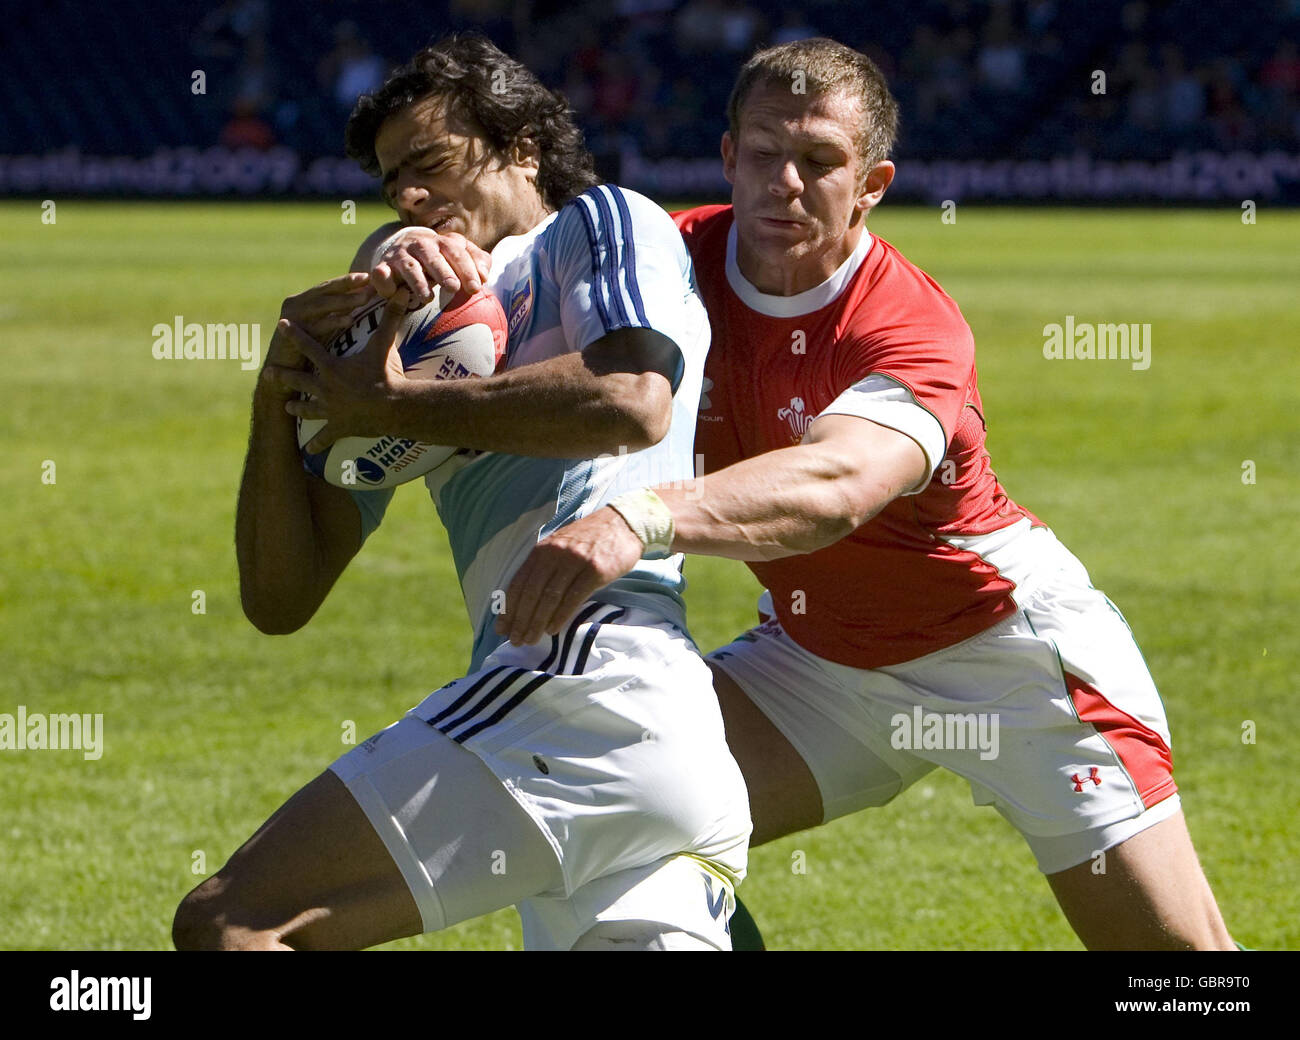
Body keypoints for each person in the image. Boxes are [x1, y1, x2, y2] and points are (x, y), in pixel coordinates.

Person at [495, 37, 1236, 950]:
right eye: (764, 154)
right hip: (817, 666)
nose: (786, 183)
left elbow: (837, 484)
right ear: (730, 158)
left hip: (1008, 659)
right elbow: (507, 276)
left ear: (874, 182)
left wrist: (637, 519)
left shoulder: (909, 322)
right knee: (618, 813)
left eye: (820, 161)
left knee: (1179, 972)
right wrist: (424, 251)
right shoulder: (669, 261)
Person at [171, 33, 750, 952]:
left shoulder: (598, 223)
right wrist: (281, 386)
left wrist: (398, 402)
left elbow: (633, 400)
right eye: (391, 179)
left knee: (233, 922)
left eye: (430, 162)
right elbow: (280, 599)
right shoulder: (409, 327)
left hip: (584, 680)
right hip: (643, 750)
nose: (407, 194)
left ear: (521, 147)